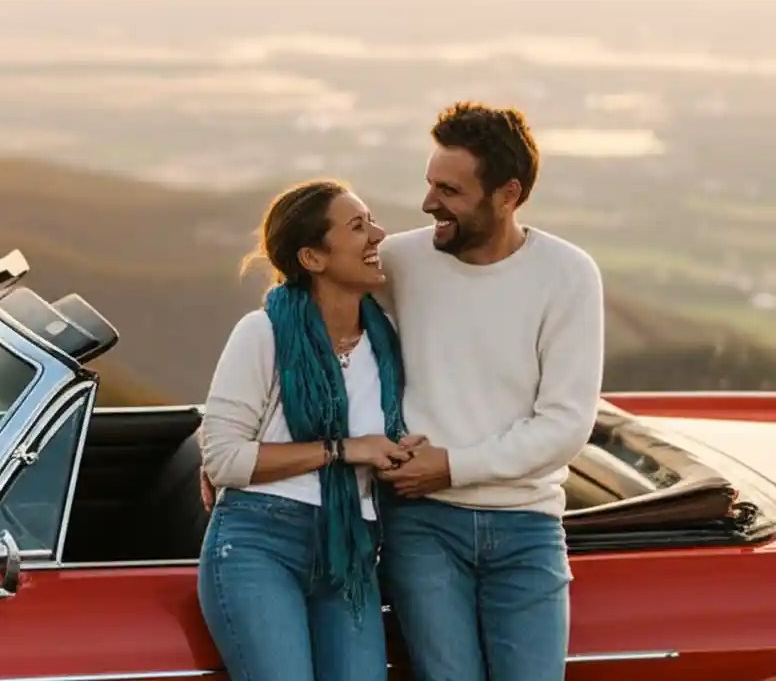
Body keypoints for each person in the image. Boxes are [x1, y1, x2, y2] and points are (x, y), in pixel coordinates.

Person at [373, 101, 605, 681]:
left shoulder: (569, 276)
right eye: (429, 184)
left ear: (507, 194)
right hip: (422, 526)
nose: (429, 203)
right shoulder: (400, 260)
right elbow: (298, 320)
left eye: (449, 190)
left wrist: (451, 466)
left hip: (528, 528)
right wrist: (236, 441)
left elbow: (565, 425)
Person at [196, 179, 422, 681]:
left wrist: (401, 451)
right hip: (259, 542)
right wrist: (344, 449)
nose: (378, 234)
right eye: (358, 226)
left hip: (352, 547)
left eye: (372, 221)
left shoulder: (389, 344)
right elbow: (225, 461)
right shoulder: (262, 333)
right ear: (313, 259)